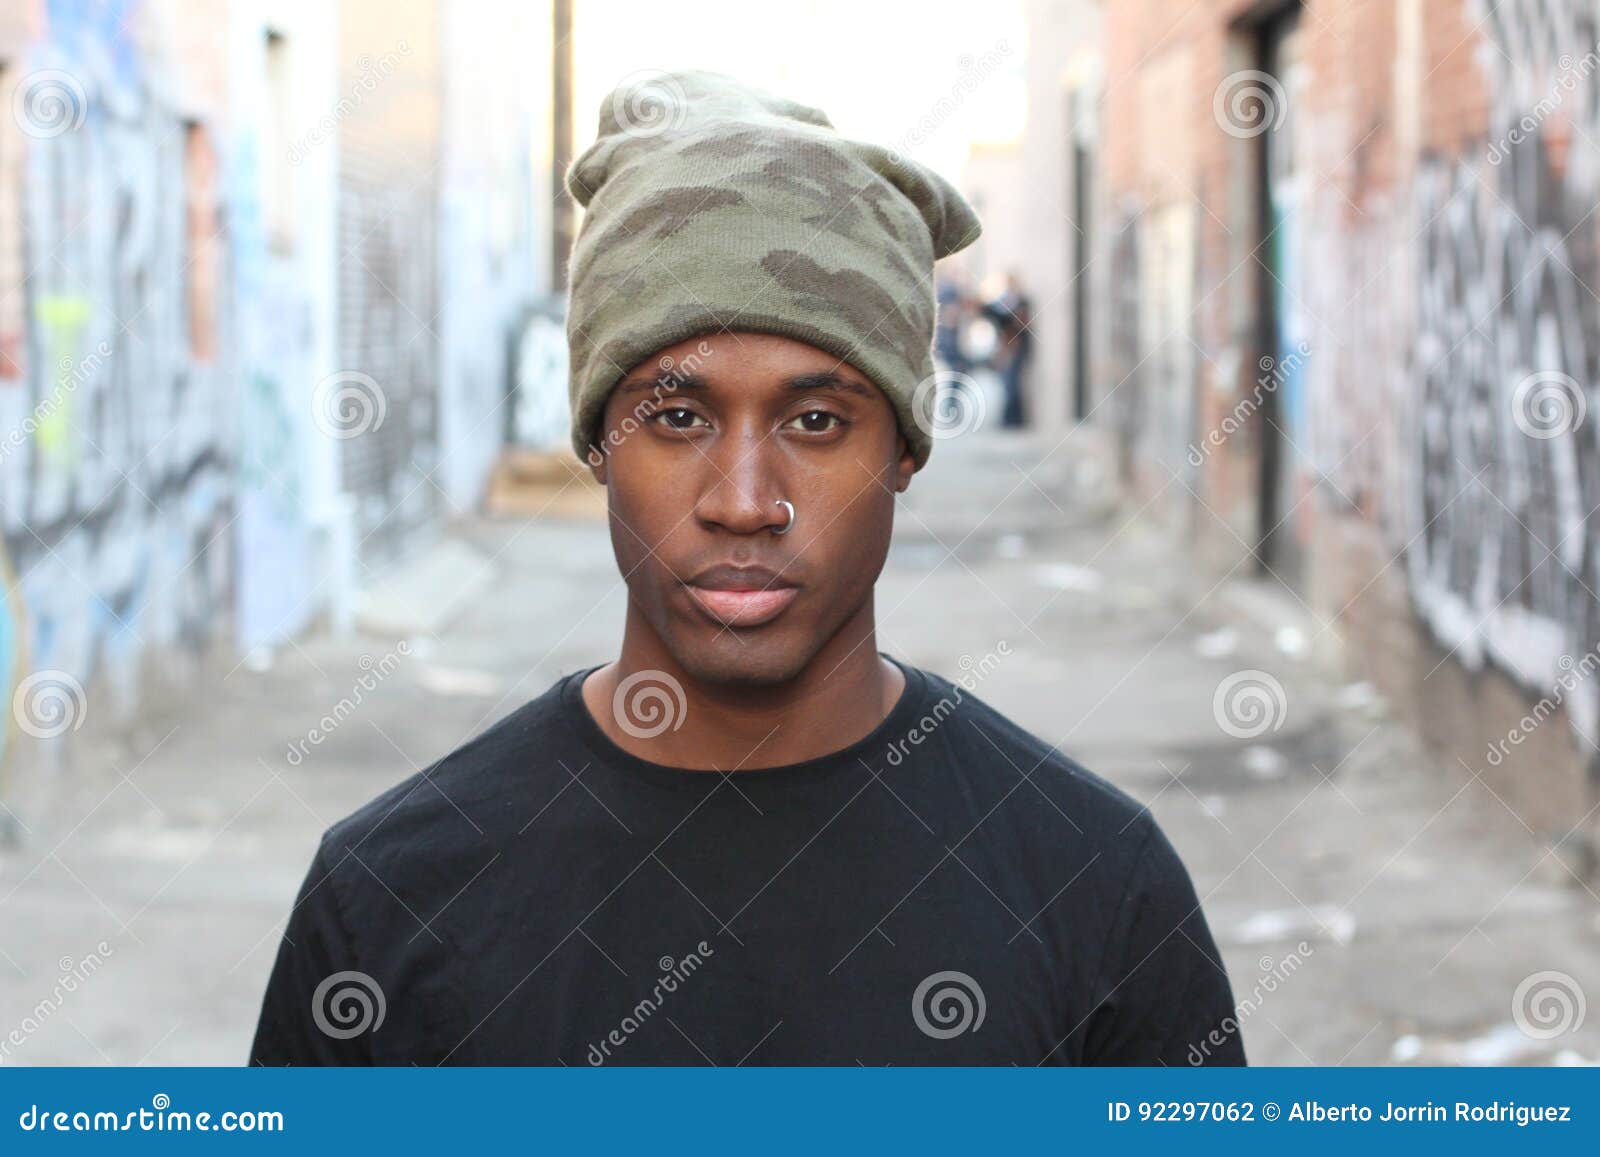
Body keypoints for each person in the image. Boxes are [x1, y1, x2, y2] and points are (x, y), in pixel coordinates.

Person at [250, 70, 1244, 1067]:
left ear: (903, 445)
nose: (742, 497)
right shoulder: (390, 895)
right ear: (598, 439)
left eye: (817, 421)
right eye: (675, 416)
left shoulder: (1093, 885)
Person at [983, 272, 1033, 428]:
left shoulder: (1022, 302)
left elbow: (1022, 324)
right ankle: (1010, 419)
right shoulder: (1005, 302)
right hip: (1007, 348)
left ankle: (1014, 419)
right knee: (1008, 384)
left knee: (1012, 384)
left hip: (1016, 349)